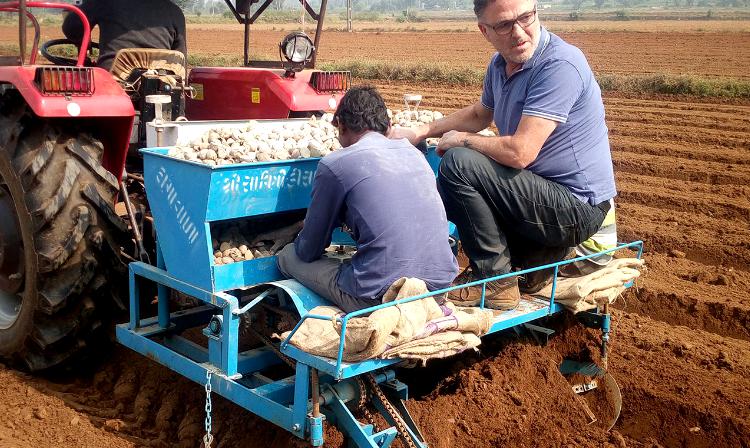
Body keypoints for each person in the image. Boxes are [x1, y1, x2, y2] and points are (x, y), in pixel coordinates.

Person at [390, 0, 617, 310]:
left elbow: (520, 152)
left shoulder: (559, 65)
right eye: (505, 25)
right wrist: (422, 130)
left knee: (459, 165)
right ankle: (534, 261)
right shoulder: (500, 66)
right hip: (541, 194)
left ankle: (496, 283)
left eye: (527, 17)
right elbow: (480, 114)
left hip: (576, 208)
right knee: (463, 182)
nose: (520, 32)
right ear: (485, 31)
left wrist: (463, 141)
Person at [277, 86, 459, 314]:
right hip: (438, 289)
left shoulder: (334, 164)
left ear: (342, 125)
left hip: (378, 297)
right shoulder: (415, 153)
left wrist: (296, 240)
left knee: (287, 257)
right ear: (388, 127)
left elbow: (309, 250)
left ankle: (294, 316)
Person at [62, 0, 187, 71]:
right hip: (160, 90)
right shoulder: (175, 12)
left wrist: (82, 39)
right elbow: (180, 60)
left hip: (113, 86)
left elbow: (70, 29)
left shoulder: (104, 2)